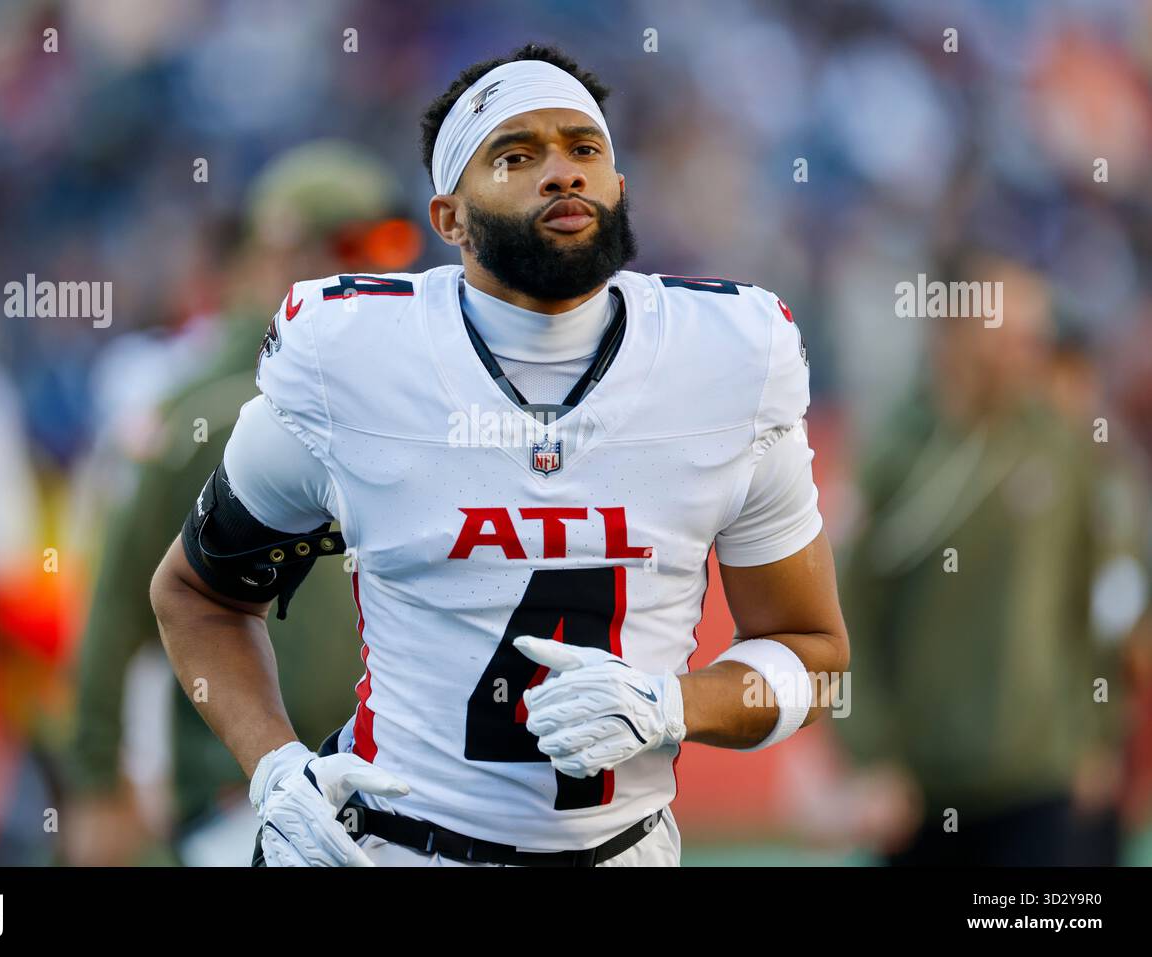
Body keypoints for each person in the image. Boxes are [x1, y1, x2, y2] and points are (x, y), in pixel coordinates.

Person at [150, 43, 849, 867]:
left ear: (619, 186)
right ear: (448, 217)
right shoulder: (355, 357)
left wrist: (672, 704)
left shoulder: (730, 359)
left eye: (584, 148)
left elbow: (816, 656)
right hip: (394, 851)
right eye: (517, 156)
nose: (562, 173)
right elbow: (197, 593)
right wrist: (273, 763)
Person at [64, 141, 422, 866]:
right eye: (353, 248)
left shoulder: (413, 402)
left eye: (391, 248)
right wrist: (97, 779)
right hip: (245, 792)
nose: (383, 272)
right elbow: (115, 601)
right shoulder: (196, 410)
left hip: (394, 793)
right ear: (277, 256)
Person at [836, 251, 1142, 865]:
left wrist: (1097, 737)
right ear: (954, 330)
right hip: (920, 791)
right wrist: (871, 757)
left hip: (1041, 785)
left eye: (1035, 333)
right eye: (1010, 331)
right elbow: (849, 619)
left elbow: (1105, 603)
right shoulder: (896, 454)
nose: (1030, 348)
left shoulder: (1062, 447)